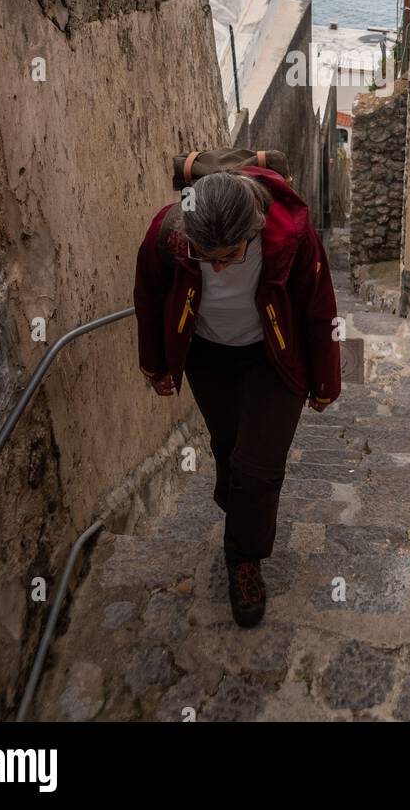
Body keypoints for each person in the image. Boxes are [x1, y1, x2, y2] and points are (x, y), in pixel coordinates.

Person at [133, 162, 341, 627]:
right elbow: (148, 296)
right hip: (208, 356)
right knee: (227, 447)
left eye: (228, 255)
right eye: (207, 258)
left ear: (256, 230)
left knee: (257, 467)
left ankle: (244, 559)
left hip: (275, 356)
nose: (219, 267)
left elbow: (318, 305)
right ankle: (242, 503)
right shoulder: (168, 234)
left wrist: (326, 380)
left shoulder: (291, 236)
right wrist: (156, 363)